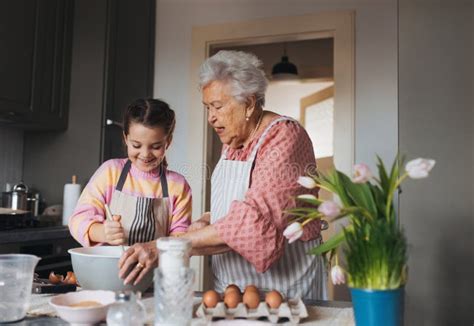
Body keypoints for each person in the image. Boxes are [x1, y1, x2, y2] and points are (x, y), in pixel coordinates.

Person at [118, 51, 326, 300]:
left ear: (248, 103)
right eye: (207, 108)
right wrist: (208, 220)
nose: (210, 118)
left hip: (285, 286)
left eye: (217, 106)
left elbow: (252, 221)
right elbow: (239, 204)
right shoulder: (234, 141)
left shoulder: (284, 136)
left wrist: (165, 247)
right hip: (230, 286)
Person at [69, 98, 192, 278]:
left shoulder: (177, 186)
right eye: (136, 145)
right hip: (108, 277)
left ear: (168, 142)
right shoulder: (110, 173)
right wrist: (102, 232)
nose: (145, 154)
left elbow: (181, 241)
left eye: (156, 146)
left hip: (155, 281)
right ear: (126, 138)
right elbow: (78, 220)